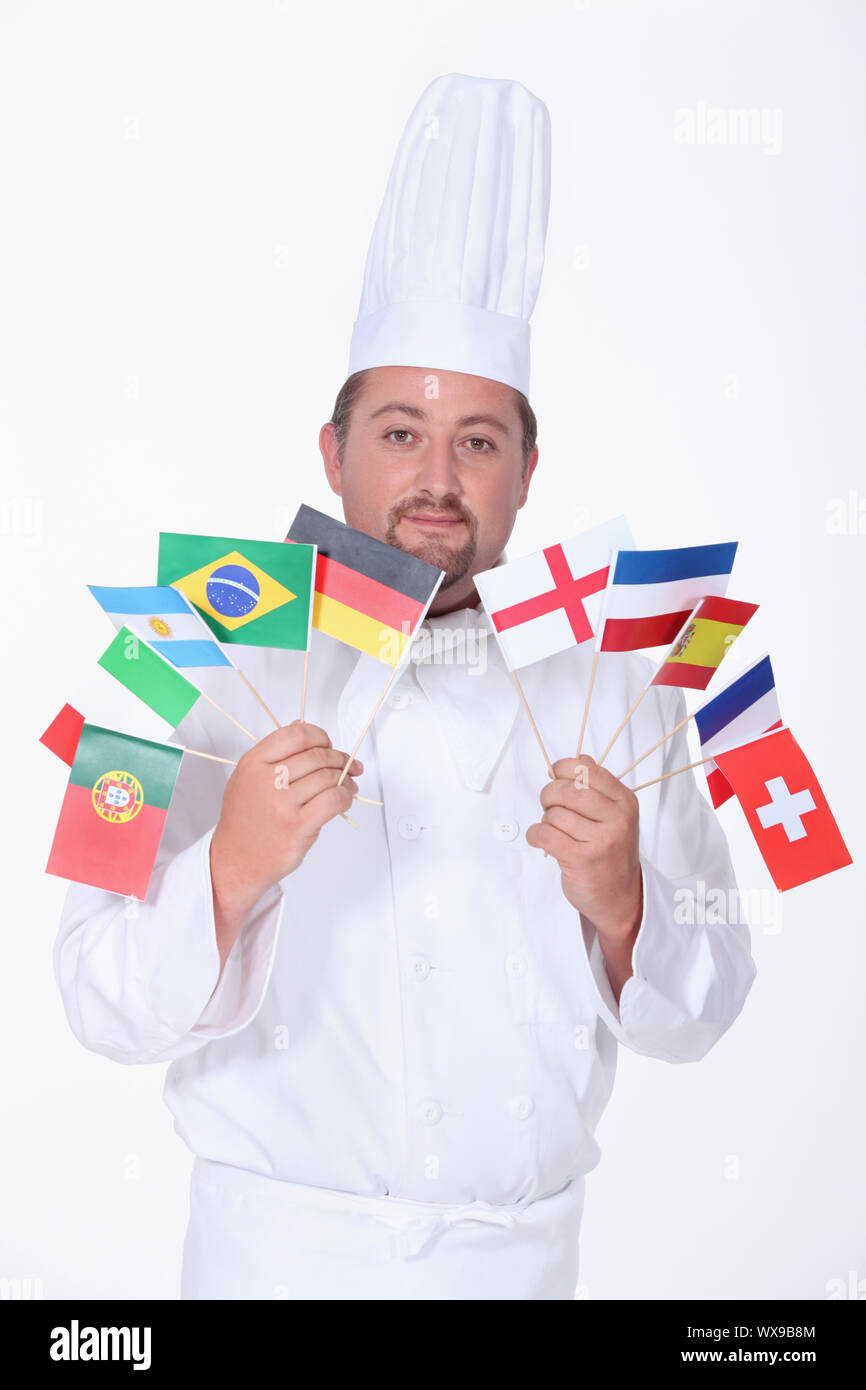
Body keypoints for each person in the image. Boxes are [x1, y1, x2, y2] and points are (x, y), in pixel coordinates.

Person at [53, 73, 756, 1300]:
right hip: (266, 1269)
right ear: (331, 452)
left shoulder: (617, 684)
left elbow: (706, 1009)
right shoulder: (184, 652)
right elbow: (89, 996)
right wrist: (232, 870)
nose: (437, 480)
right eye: (397, 434)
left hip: (522, 1273)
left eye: (477, 441)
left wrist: (625, 902)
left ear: (527, 470)